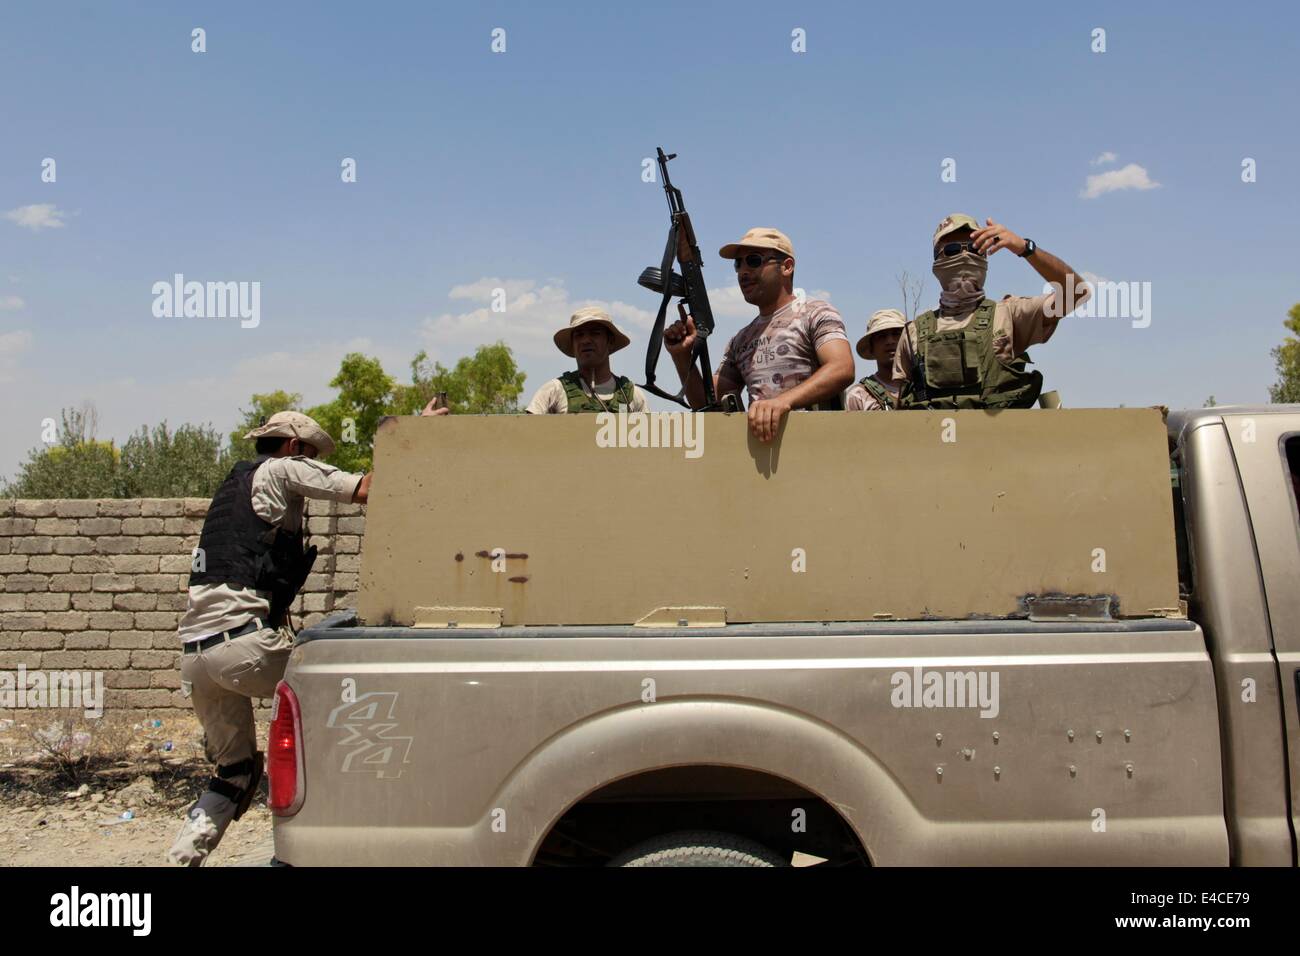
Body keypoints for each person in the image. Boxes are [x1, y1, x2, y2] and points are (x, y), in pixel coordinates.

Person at [167, 411, 370, 866]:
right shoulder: (283, 469)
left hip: (196, 661)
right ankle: (329, 846)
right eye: (312, 456)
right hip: (245, 647)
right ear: (296, 447)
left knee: (235, 772)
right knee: (353, 710)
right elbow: (364, 489)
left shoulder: (234, 487)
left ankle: (182, 858)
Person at [662, 227, 855, 442]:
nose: (743, 271)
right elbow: (705, 401)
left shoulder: (815, 313)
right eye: (738, 263)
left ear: (787, 266)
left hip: (817, 448)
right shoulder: (741, 339)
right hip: (761, 457)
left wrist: (783, 401)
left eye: (753, 261)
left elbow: (842, 368)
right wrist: (681, 356)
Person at [895, 214, 1090, 409]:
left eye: (974, 248)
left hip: (1000, 438)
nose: (965, 255)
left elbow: (1077, 292)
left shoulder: (1009, 315)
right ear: (936, 261)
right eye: (952, 250)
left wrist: (1025, 248)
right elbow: (898, 408)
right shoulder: (913, 333)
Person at [525, 307, 650, 414]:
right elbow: (525, 433)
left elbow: (650, 438)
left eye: (595, 333)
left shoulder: (631, 395)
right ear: (573, 344)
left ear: (610, 341)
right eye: (579, 335)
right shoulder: (554, 391)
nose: (585, 341)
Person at [846, 309, 906, 411]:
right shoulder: (859, 395)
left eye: (896, 334)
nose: (890, 341)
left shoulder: (925, 388)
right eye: (881, 336)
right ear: (871, 348)